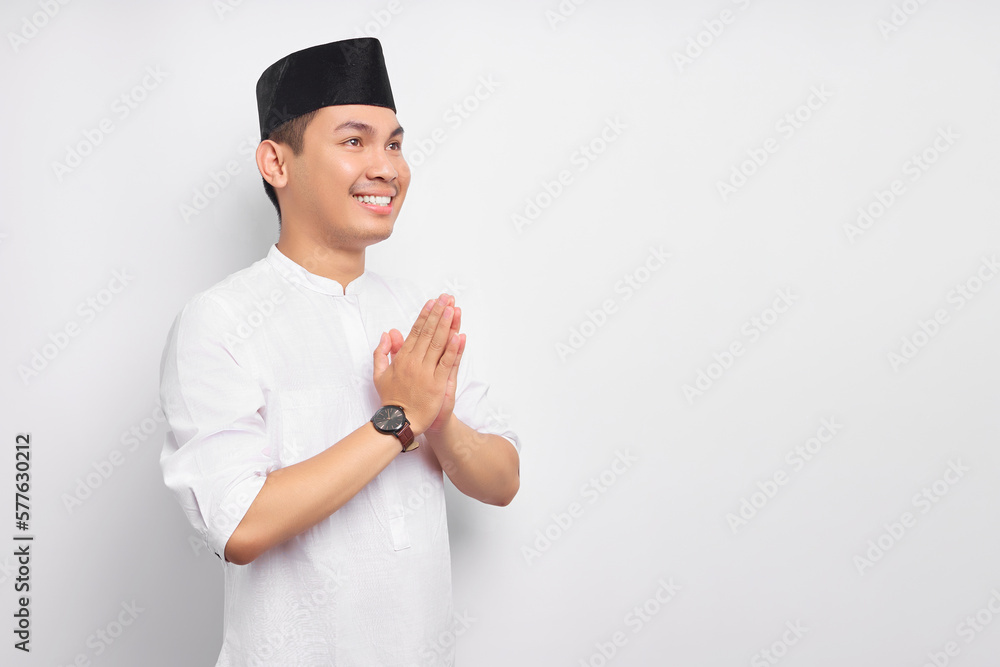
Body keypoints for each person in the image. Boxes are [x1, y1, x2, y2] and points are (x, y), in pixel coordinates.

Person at [158, 37, 521, 666]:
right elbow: (240, 525)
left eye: (395, 144)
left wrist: (440, 421)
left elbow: (502, 479)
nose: (387, 167)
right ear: (276, 162)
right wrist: (398, 419)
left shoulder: (419, 312)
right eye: (354, 142)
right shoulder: (219, 320)